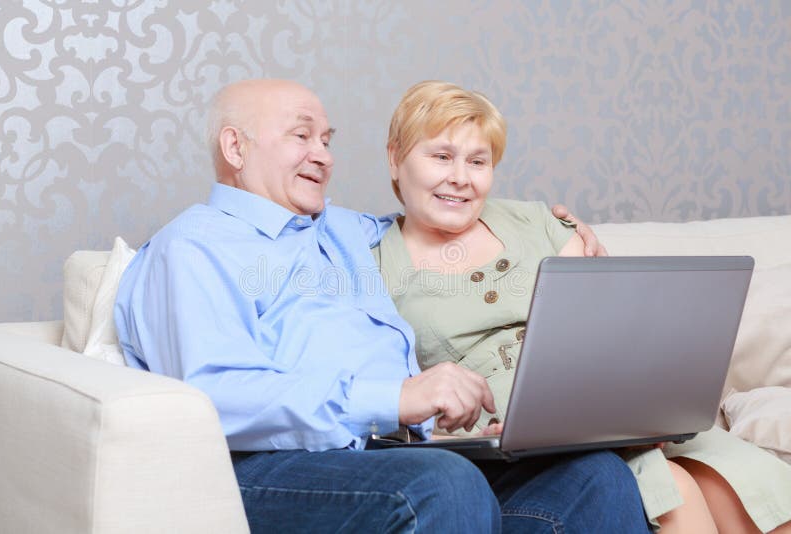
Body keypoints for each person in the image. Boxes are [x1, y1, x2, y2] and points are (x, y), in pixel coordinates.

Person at [114, 78, 651, 532]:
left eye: (326, 139)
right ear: (235, 148)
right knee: (442, 482)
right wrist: (393, 397)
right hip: (263, 465)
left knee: (595, 475)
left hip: (388, 456)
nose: (323, 154)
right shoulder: (193, 246)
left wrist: (555, 230)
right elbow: (212, 396)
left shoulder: (344, 230)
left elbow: (438, 214)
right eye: (302, 135)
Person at [373, 80, 791, 533]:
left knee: (746, 479)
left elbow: (610, 330)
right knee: (671, 487)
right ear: (396, 158)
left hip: (609, 408)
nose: (460, 177)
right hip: (506, 443)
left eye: (478, 161)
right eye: (441, 156)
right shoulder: (371, 261)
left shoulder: (538, 222)